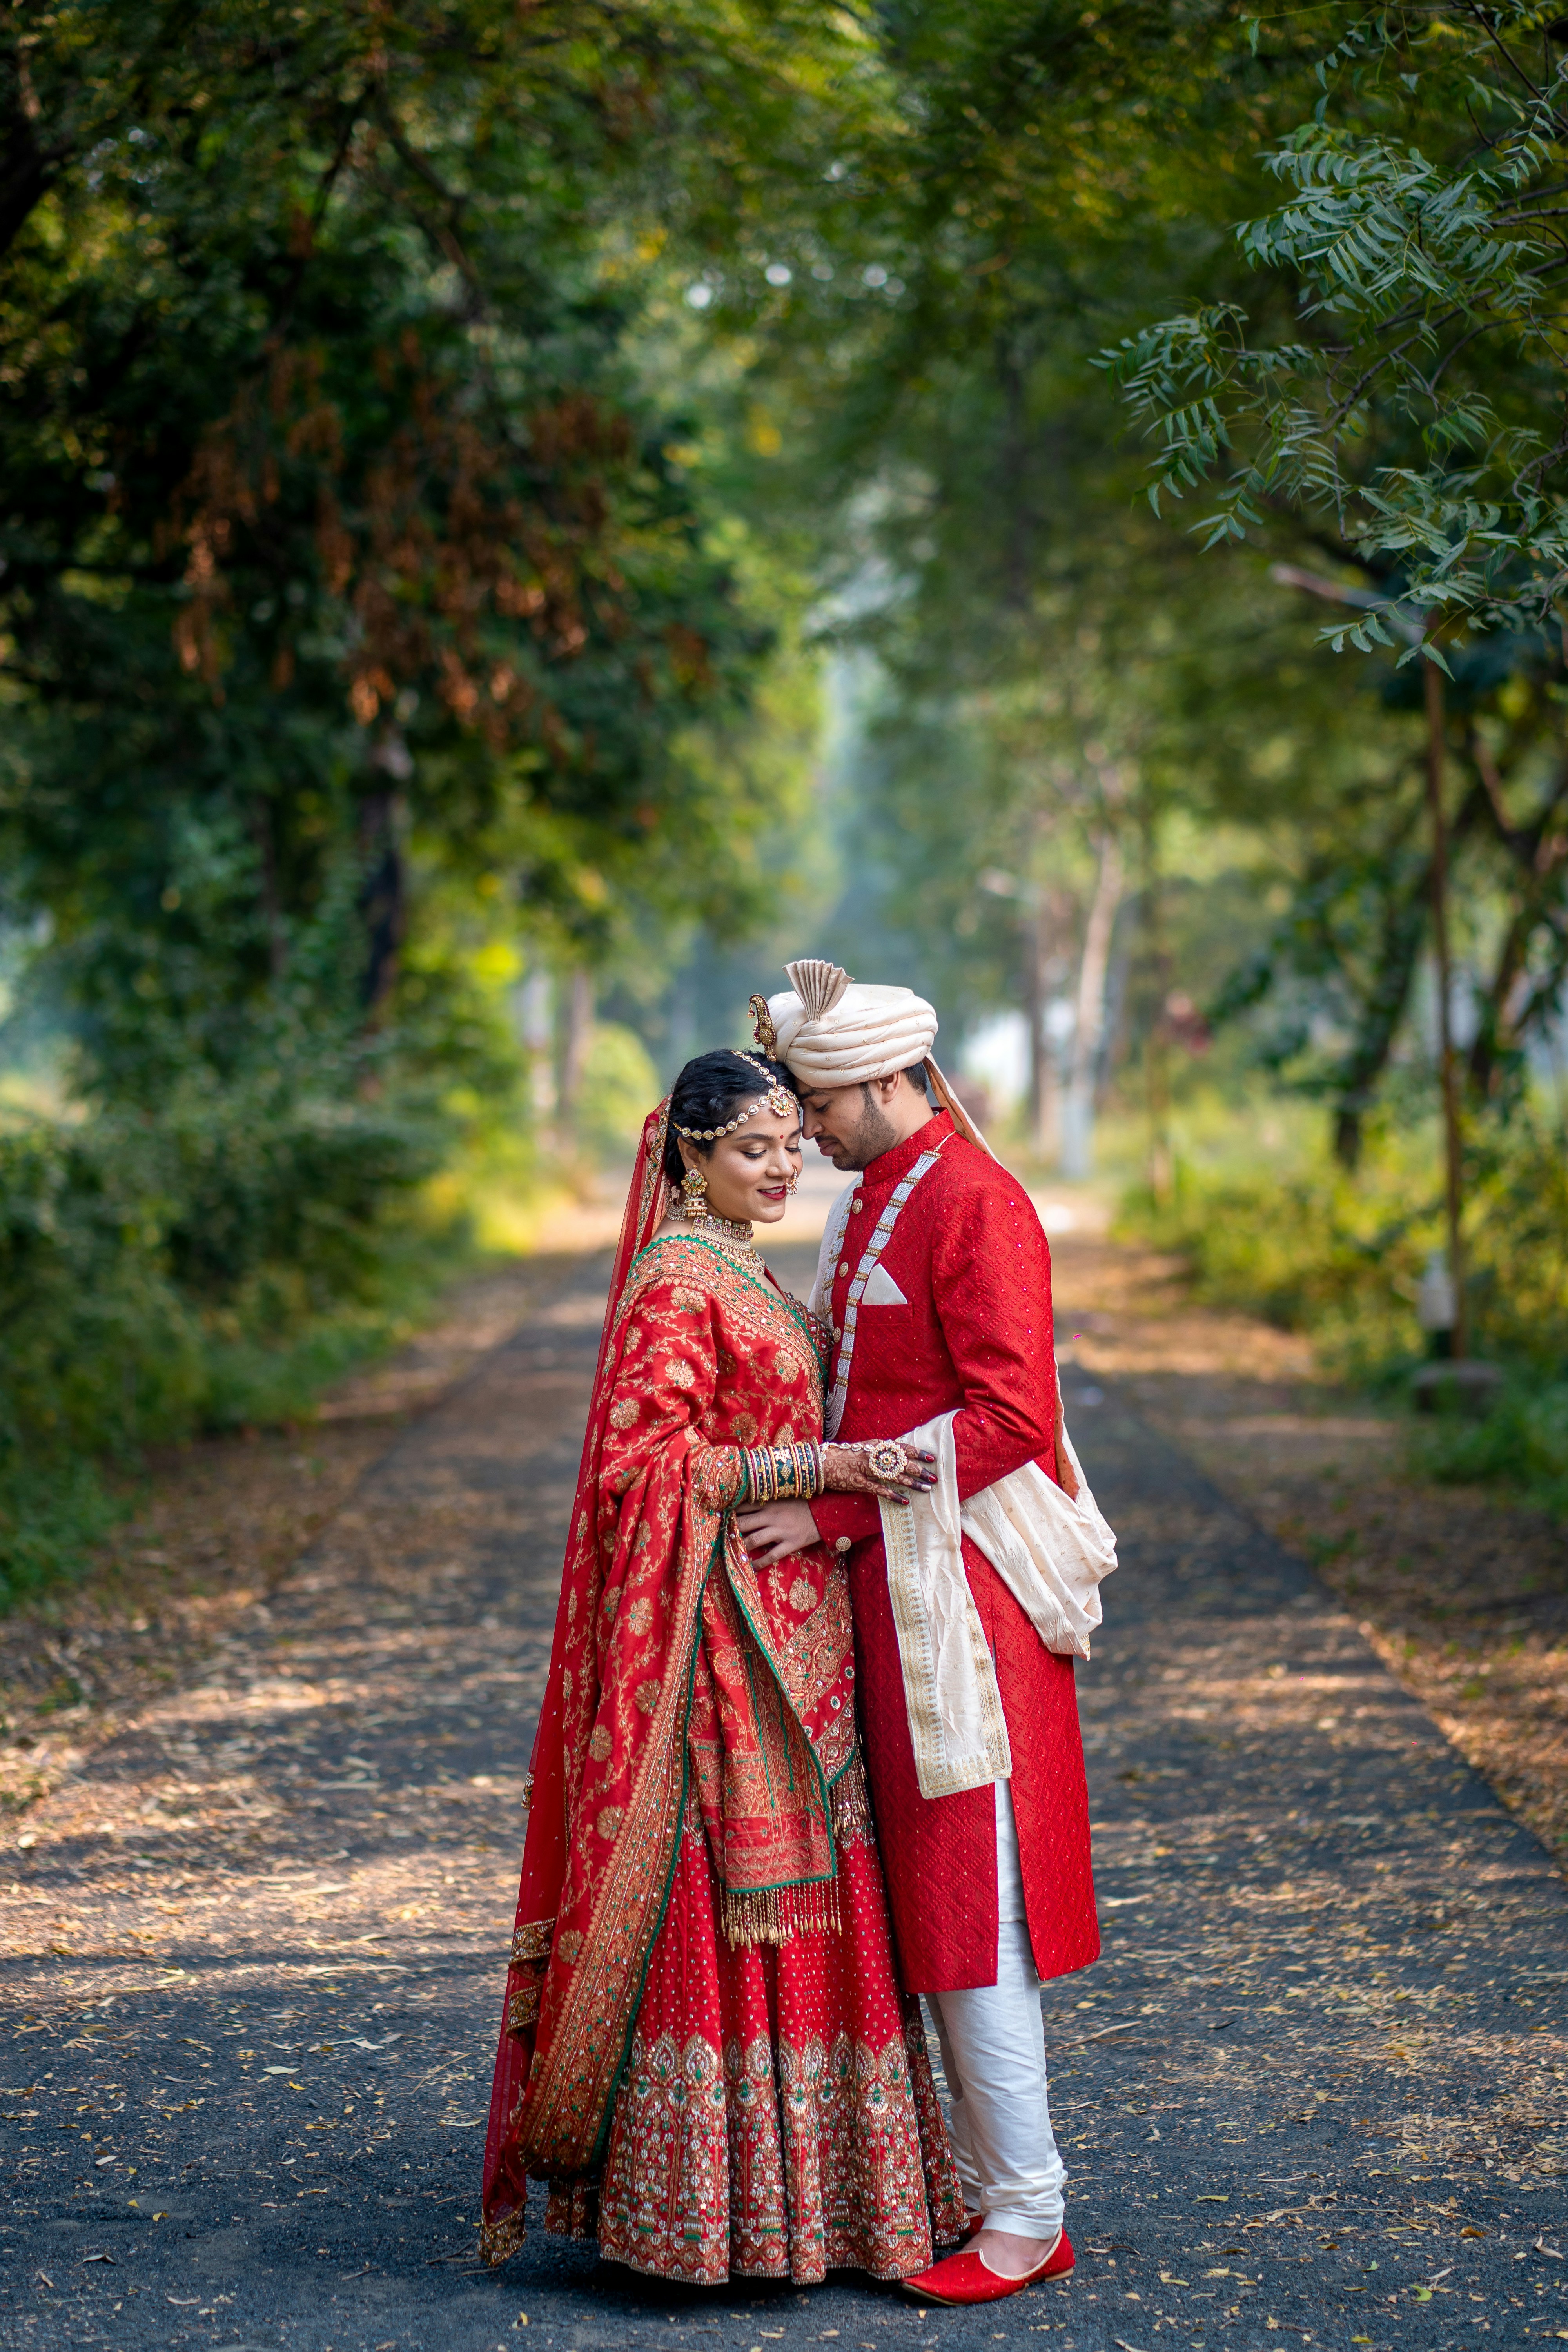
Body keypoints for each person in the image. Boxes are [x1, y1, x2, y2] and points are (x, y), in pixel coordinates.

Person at [479, 1047, 966, 2287]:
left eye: (793, 1145)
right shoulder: (675, 1281)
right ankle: (709, 2219)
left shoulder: (744, 1268)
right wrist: (830, 1471)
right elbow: (643, 1475)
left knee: (830, 1897)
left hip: (802, 1640)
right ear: (689, 1153)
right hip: (716, 1647)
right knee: (726, 1909)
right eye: (754, 1148)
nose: (782, 1167)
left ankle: (835, 2209)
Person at [735, 960, 1108, 2309]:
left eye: (824, 1100)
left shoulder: (983, 1204)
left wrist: (834, 1501)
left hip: (971, 1617)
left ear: (892, 1081)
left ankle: (1029, 2215)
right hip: (898, 1598)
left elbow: (1011, 1421)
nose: (810, 1130)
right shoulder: (882, 1192)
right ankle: (999, 2197)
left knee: (977, 1911)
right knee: (933, 1916)